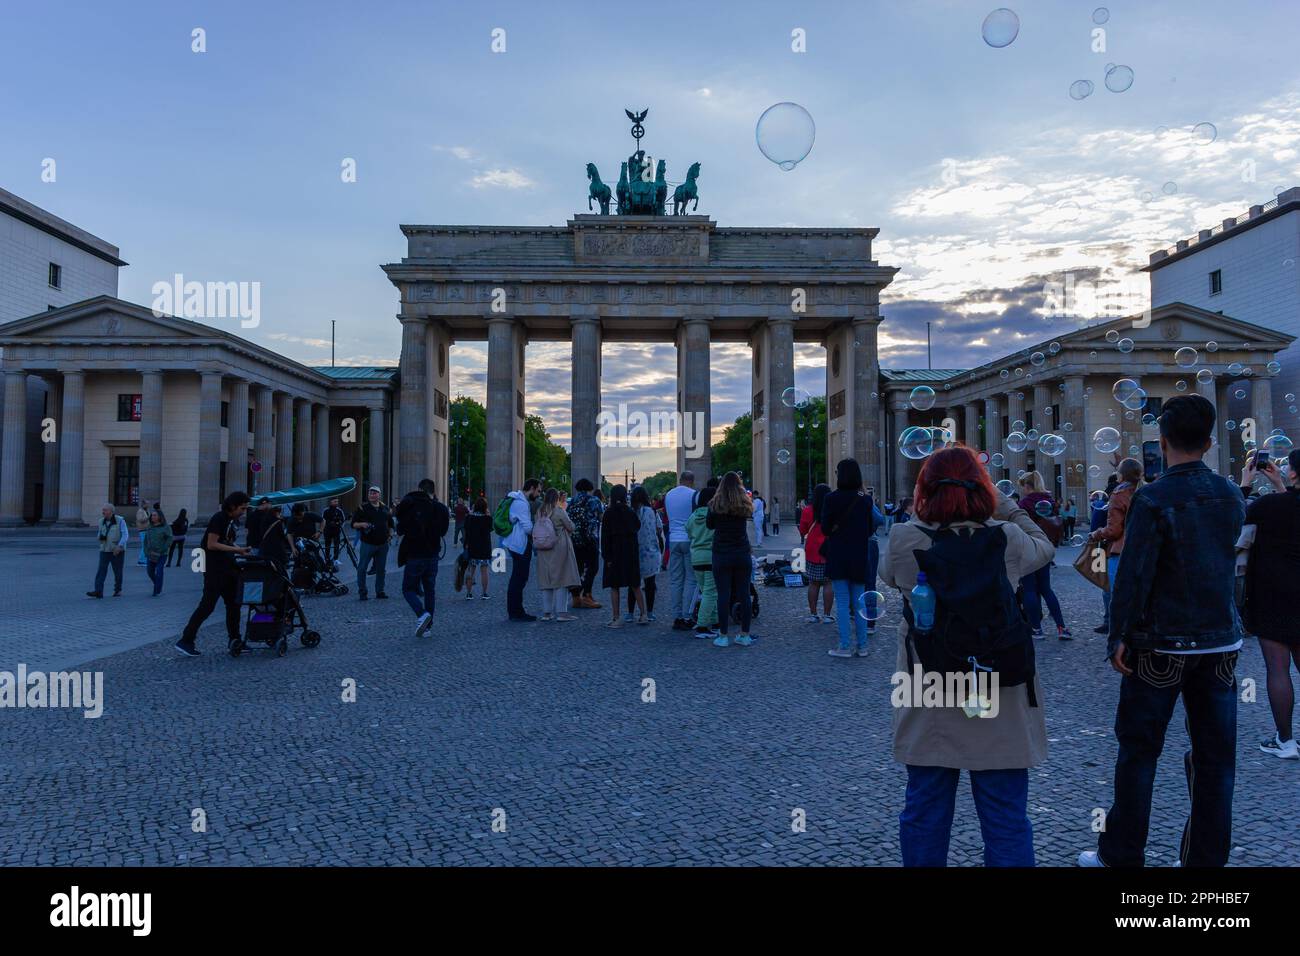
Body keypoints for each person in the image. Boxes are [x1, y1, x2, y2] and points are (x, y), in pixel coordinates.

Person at [1080, 394, 1245, 868]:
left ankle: (1122, 852)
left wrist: (1119, 634)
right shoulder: (1230, 492)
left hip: (1160, 642)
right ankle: (1204, 861)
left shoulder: (1153, 497)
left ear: (1163, 440)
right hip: (1220, 641)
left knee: (1139, 752)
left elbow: (1135, 574)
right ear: (1210, 442)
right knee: (1216, 760)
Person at [881, 445, 1053, 867]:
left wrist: (927, 510)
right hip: (996, 685)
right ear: (982, 490)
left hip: (930, 687)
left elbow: (888, 574)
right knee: (1006, 817)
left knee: (925, 812)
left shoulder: (906, 539)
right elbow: (1044, 544)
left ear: (925, 489)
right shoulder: (1007, 538)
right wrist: (1004, 502)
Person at [1238, 448, 1300, 758]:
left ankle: (1286, 741)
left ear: (1292, 473)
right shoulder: (1282, 499)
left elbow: (1234, 523)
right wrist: (1282, 486)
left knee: (1278, 669)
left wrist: (1246, 482)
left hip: (1272, 594)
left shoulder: (1268, 505)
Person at [175, 492, 252, 656]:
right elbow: (211, 544)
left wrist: (240, 549)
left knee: (234, 605)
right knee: (207, 606)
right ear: (232, 506)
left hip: (228, 569)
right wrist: (237, 550)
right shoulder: (219, 518)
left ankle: (235, 640)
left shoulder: (231, 520)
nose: (243, 512)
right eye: (242, 508)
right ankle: (186, 640)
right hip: (215, 570)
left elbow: (227, 541)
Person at [820, 459, 879, 658]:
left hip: (838, 555)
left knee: (843, 603)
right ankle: (862, 646)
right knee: (859, 602)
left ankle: (844, 646)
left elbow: (825, 528)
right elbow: (871, 528)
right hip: (859, 556)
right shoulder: (865, 499)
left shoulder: (831, 498)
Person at [1016, 471, 1071, 640]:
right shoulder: (1050, 501)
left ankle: (1037, 629)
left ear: (1028, 486)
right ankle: (1062, 627)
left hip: (1028, 548)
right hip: (1045, 549)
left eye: (1023, 486)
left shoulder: (1025, 503)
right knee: (1046, 589)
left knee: (1030, 590)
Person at [1090, 458, 1142, 635]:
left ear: (1121, 474)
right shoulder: (1145, 489)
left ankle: (1113, 625)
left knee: (1111, 590)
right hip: (1144, 548)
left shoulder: (1119, 493)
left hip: (1121, 550)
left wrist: (1096, 533)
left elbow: (1114, 530)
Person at [395, 478, 450, 637]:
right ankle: (428, 626)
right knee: (429, 590)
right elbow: (444, 532)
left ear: (420, 489)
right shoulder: (441, 508)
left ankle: (422, 614)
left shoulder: (412, 505)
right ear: (434, 491)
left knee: (408, 589)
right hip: (433, 554)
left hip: (415, 554)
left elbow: (400, 529)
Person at [706, 472, 754, 647]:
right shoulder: (745, 504)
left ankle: (723, 635)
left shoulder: (715, 504)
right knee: (744, 594)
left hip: (721, 553)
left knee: (723, 595)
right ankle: (745, 634)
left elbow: (709, 525)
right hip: (741, 552)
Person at [600, 484, 643, 627]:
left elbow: (605, 537)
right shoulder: (630, 512)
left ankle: (616, 618)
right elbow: (638, 527)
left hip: (614, 553)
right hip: (630, 552)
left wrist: (607, 557)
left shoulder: (608, 513)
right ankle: (643, 615)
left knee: (614, 586)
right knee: (635, 585)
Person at [500, 478, 542, 622]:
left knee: (518, 578)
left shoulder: (516, 499)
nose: (538, 495)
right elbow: (528, 528)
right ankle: (516, 611)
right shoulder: (521, 504)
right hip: (519, 544)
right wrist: (541, 530)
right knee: (519, 578)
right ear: (531, 488)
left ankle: (515, 610)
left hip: (516, 543)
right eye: (538, 491)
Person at [534, 489, 580, 622]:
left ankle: (546, 613)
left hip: (543, 548)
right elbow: (571, 527)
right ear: (556, 499)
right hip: (559, 547)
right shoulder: (559, 511)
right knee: (561, 579)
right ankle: (561, 612)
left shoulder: (539, 512)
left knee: (546, 580)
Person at [663, 471, 698, 630]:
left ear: (680, 480)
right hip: (689, 540)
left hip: (673, 540)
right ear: (691, 481)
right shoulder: (694, 495)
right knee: (691, 579)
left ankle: (676, 616)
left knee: (676, 580)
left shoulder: (669, 495)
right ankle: (687, 616)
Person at [626, 485, 664, 624]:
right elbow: (659, 529)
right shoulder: (652, 512)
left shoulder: (631, 512)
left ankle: (630, 613)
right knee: (650, 584)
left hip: (635, 551)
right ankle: (650, 612)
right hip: (651, 552)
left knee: (633, 584)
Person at [799, 483, 835, 624]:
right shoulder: (833, 510)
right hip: (829, 550)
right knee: (828, 583)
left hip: (813, 550)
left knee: (813, 583)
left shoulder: (808, 510)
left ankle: (813, 614)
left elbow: (803, 531)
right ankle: (827, 614)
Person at [686, 485, 718, 638]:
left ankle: (715, 621)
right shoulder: (714, 515)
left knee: (706, 591)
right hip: (711, 556)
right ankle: (703, 626)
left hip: (696, 557)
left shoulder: (693, 516)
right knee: (711, 592)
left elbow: (689, 531)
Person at [567, 478, 604, 610]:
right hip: (590, 538)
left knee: (578, 568)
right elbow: (601, 517)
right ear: (590, 488)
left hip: (575, 539)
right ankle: (587, 595)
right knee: (593, 567)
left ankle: (576, 598)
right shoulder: (594, 500)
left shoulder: (572, 502)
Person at [352, 485, 394, 601]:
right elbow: (353, 524)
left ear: (379, 495)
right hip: (368, 543)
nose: (372, 495)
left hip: (383, 544)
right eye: (370, 493)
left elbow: (391, 524)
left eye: (374, 493)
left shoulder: (385, 508)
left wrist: (390, 535)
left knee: (381, 569)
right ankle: (362, 592)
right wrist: (362, 524)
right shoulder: (362, 508)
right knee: (362, 568)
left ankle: (380, 591)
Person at [87, 504, 130, 598]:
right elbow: (100, 533)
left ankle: (118, 590)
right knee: (101, 571)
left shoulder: (120, 520)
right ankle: (98, 591)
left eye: (105, 510)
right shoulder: (101, 521)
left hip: (117, 550)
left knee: (117, 571)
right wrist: (99, 538)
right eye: (103, 510)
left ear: (111, 511)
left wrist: (120, 546)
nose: (103, 512)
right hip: (104, 550)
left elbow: (125, 535)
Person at [462, 496, 493, 600]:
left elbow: (466, 531)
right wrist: (488, 515)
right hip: (484, 548)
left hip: (472, 547)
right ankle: (484, 593)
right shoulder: (487, 518)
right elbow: (490, 529)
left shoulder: (469, 518)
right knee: (484, 570)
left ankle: (469, 593)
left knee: (471, 570)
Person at [142, 510, 173, 596]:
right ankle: (157, 583)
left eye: (155, 515)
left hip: (162, 553)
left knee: (159, 571)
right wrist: (145, 550)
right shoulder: (149, 527)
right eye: (152, 516)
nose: (153, 517)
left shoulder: (166, 527)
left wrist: (164, 548)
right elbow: (145, 540)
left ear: (160, 517)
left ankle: (156, 590)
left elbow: (169, 538)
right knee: (150, 571)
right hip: (151, 553)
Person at [134, 501, 150, 566]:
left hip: (146, 529)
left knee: (145, 546)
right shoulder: (140, 511)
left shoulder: (146, 511)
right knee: (144, 546)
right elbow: (140, 519)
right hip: (142, 530)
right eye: (147, 504)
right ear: (143, 504)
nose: (148, 505)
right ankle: (141, 561)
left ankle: (144, 560)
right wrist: (148, 517)